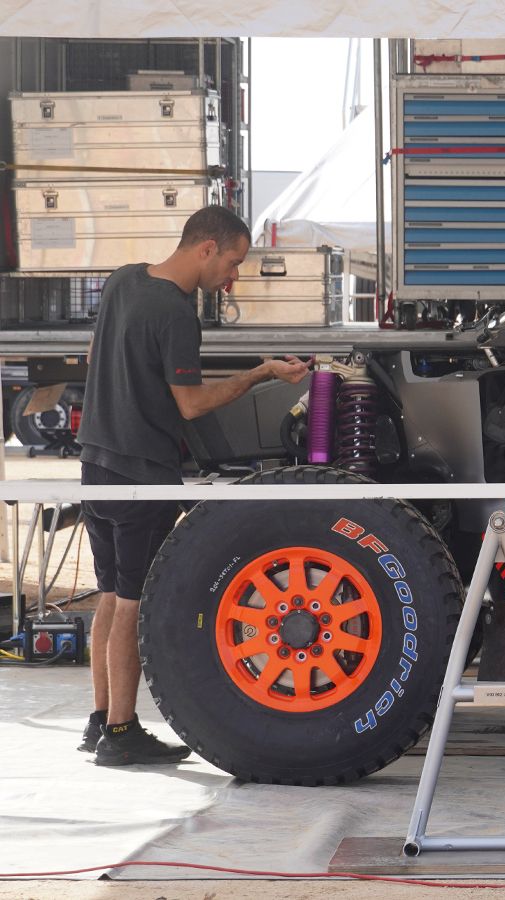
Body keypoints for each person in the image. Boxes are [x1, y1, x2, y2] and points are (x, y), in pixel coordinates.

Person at [76, 206, 310, 766]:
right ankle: (123, 732)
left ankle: (98, 721)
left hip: (97, 463)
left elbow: (98, 358)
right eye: (232, 262)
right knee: (132, 603)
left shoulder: (124, 279)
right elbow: (192, 403)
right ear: (207, 248)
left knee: (109, 594)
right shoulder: (179, 315)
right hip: (140, 475)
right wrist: (260, 374)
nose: (231, 277)